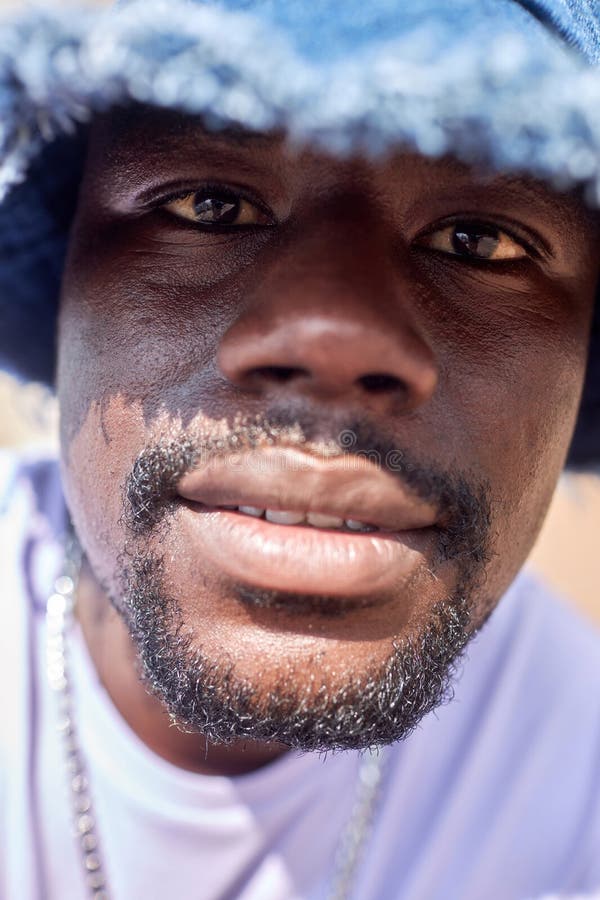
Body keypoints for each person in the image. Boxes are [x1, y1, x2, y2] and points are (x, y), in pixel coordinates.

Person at [1, 0, 600, 897]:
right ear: (64, 288)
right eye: (210, 205)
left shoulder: (576, 787)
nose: (333, 336)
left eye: (479, 242)